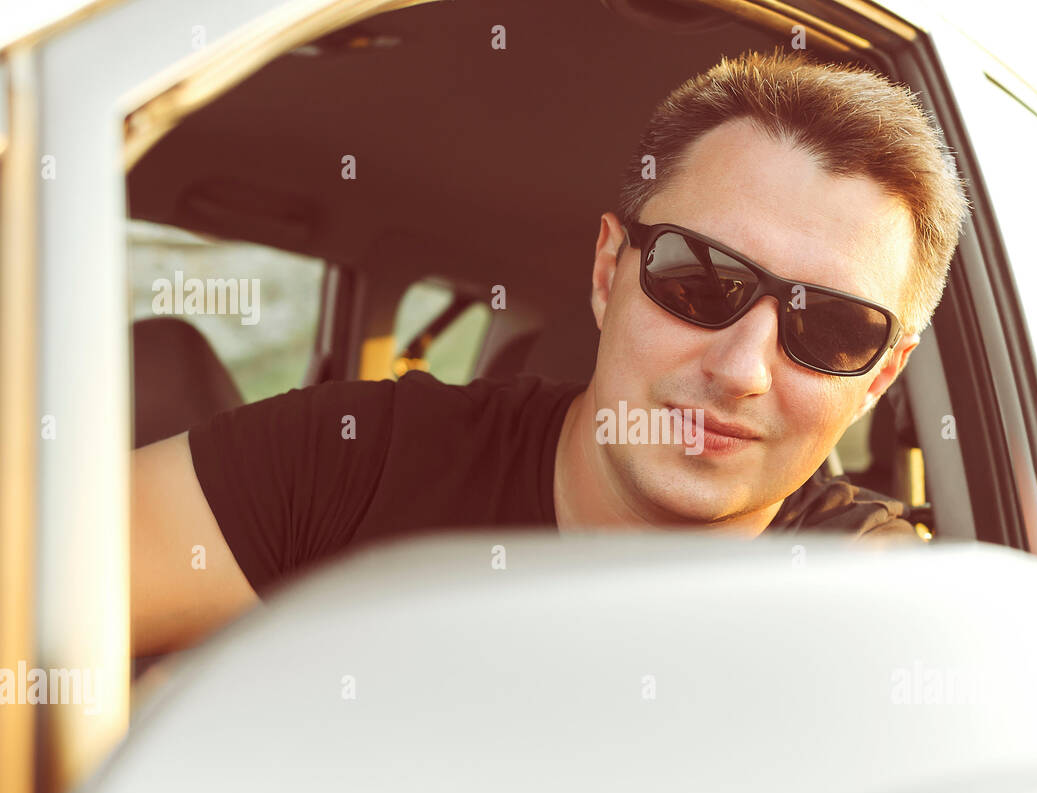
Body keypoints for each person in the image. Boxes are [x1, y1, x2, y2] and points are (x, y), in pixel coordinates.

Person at [130, 48, 969, 656]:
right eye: (702, 278)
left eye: (832, 330)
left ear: (880, 378)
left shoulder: (877, 609)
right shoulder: (361, 456)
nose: (741, 370)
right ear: (609, 272)